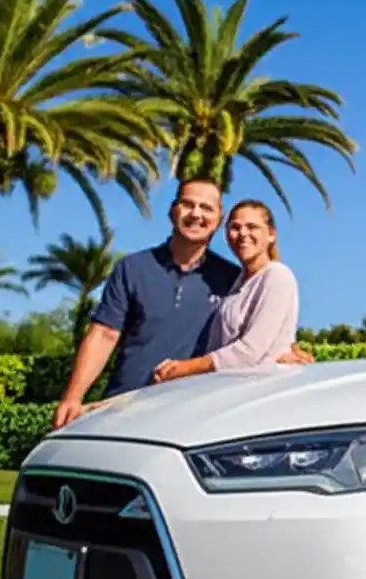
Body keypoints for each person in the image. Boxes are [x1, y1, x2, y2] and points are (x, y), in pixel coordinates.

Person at [52, 179, 310, 429]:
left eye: (206, 208)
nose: (196, 214)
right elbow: (104, 334)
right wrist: (73, 397)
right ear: (172, 211)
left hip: (186, 414)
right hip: (124, 405)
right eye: (188, 204)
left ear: (217, 219)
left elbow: (257, 335)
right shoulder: (132, 268)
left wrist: (286, 351)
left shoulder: (231, 278)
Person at [152, 199, 299, 383]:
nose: (243, 234)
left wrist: (184, 368)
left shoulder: (277, 276)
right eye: (235, 227)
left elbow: (251, 351)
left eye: (252, 227)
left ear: (271, 234)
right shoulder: (237, 283)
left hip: (259, 390)